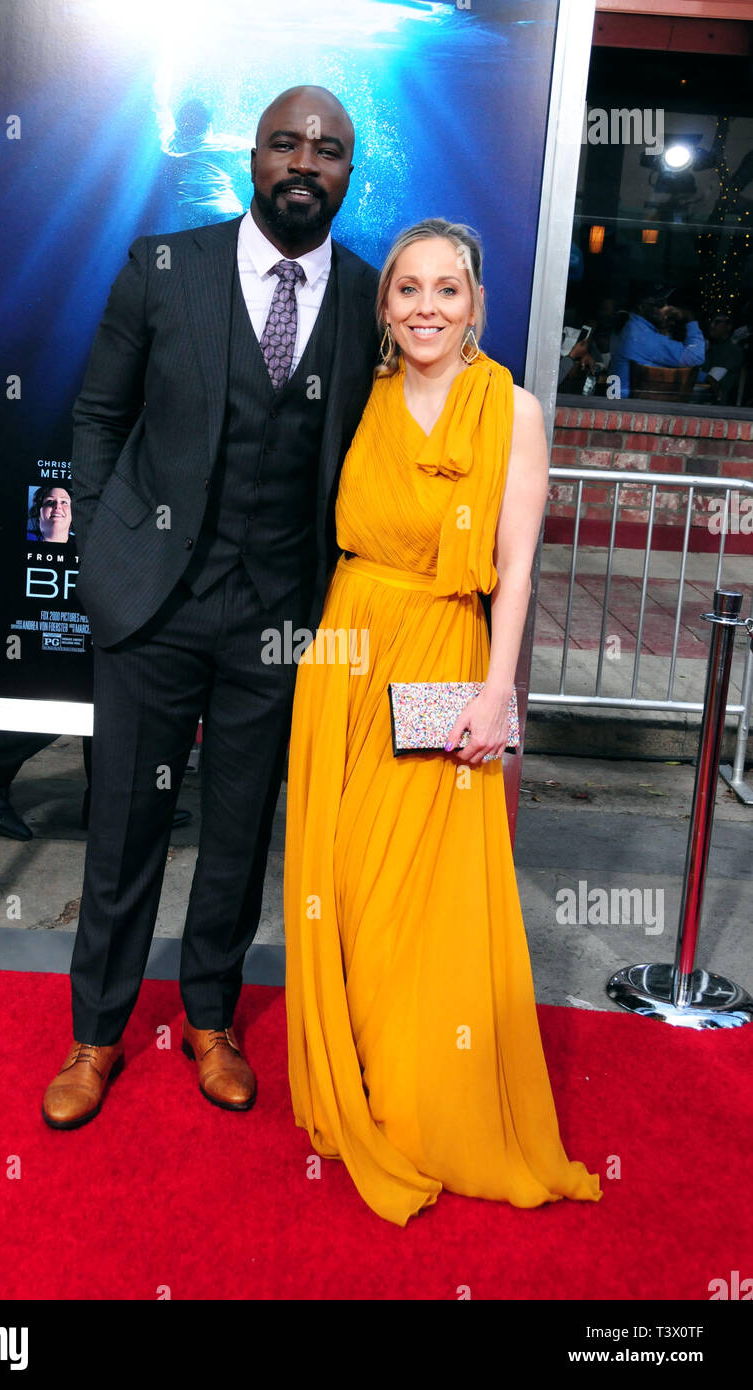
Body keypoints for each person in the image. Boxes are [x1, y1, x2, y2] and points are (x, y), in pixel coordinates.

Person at [42, 86, 380, 1129]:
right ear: (253, 154)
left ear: (346, 175)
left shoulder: (370, 299)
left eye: (327, 150)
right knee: (125, 826)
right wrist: (104, 549)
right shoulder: (163, 268)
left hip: (280, 617)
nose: (304, 162)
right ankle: (95, 1034)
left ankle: (211, 1020)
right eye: (287, 141)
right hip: (153, 607)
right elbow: (99, 412)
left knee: (239, 831)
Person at [283, 218, 603, 1226]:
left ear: (475, 304)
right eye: (407, 290)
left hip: (444, 663)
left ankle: (424, 1097)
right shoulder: (361, 399)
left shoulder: (510, 409)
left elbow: (516, 567)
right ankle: (367, 1078)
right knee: (345, 885)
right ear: (383, 308)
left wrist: (498, 691)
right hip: (344, 656)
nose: (426, 307)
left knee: (414, 890)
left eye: (446, 291)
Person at [611, 289, 704, 399]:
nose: (666, 309)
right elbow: (695, 357)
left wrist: (704, 377)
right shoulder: (641, 335)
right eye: (659, 305)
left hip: (629, 404)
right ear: (642, 307)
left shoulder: (636, 328)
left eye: (666, 304)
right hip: (627, 408)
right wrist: (689, 317)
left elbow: (664, 366)